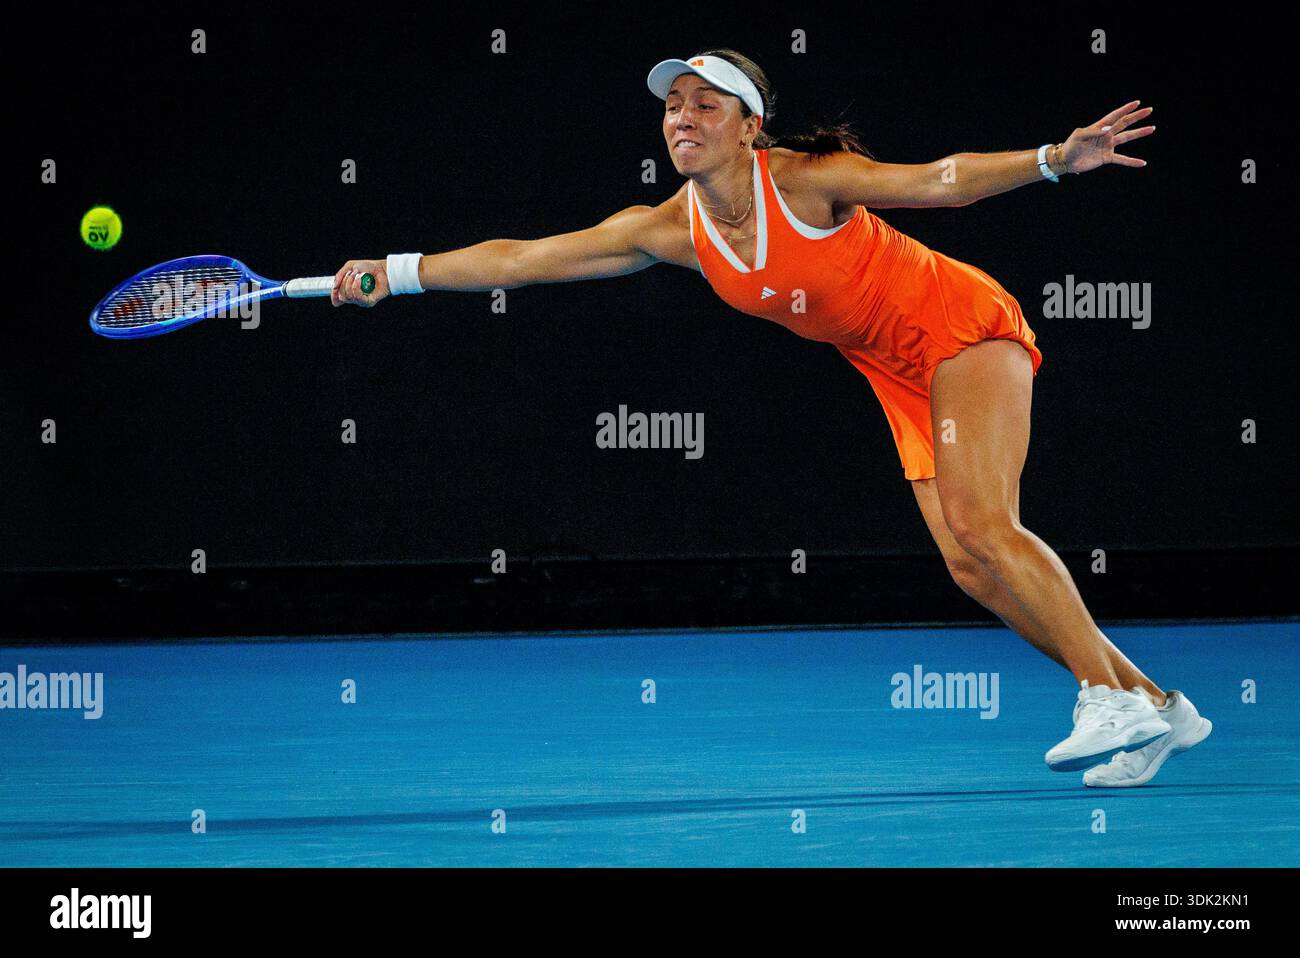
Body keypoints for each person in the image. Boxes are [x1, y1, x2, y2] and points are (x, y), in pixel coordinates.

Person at [331, 48, 1211, 787]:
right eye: (673, 107)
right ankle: (1160, 711)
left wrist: (1055, 158)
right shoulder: (668, 229)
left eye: (704, 105)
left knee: (988, 522)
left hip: (962, 330)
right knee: (971, 567)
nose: (682, 117)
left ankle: (1109, 696)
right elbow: (521, 259)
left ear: (750, 125)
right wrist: (399, 270)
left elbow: (940, 183)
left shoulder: (806, 179)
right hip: (895, 373)